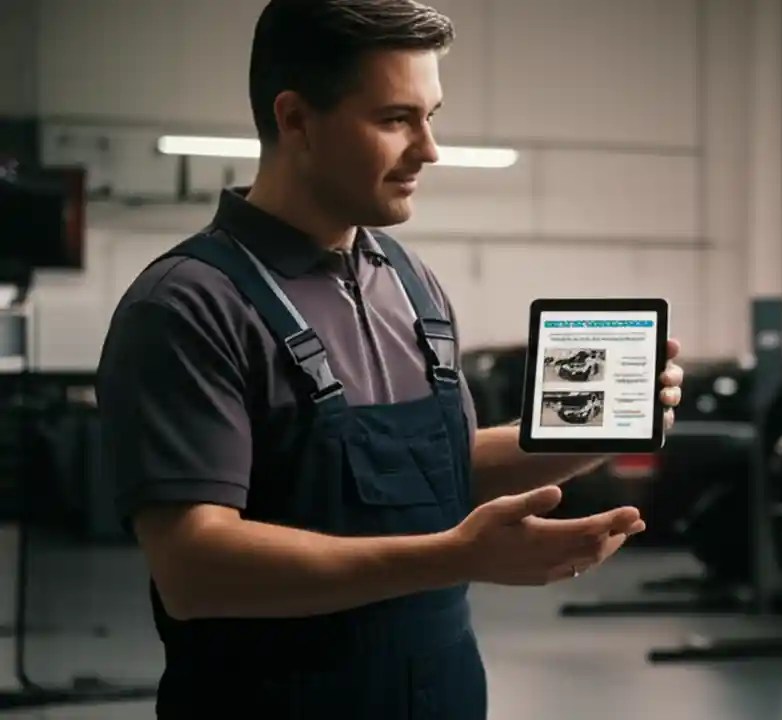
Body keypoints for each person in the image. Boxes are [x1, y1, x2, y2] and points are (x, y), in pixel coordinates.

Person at [95, 2, 684, 717]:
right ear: (296, 119)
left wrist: (606, 426)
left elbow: (443, 463)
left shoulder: (410, 283)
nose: (430, 149)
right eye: (395, 119)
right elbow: (194, 567)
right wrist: (458, 557)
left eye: (432, 115)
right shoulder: (188, 307)